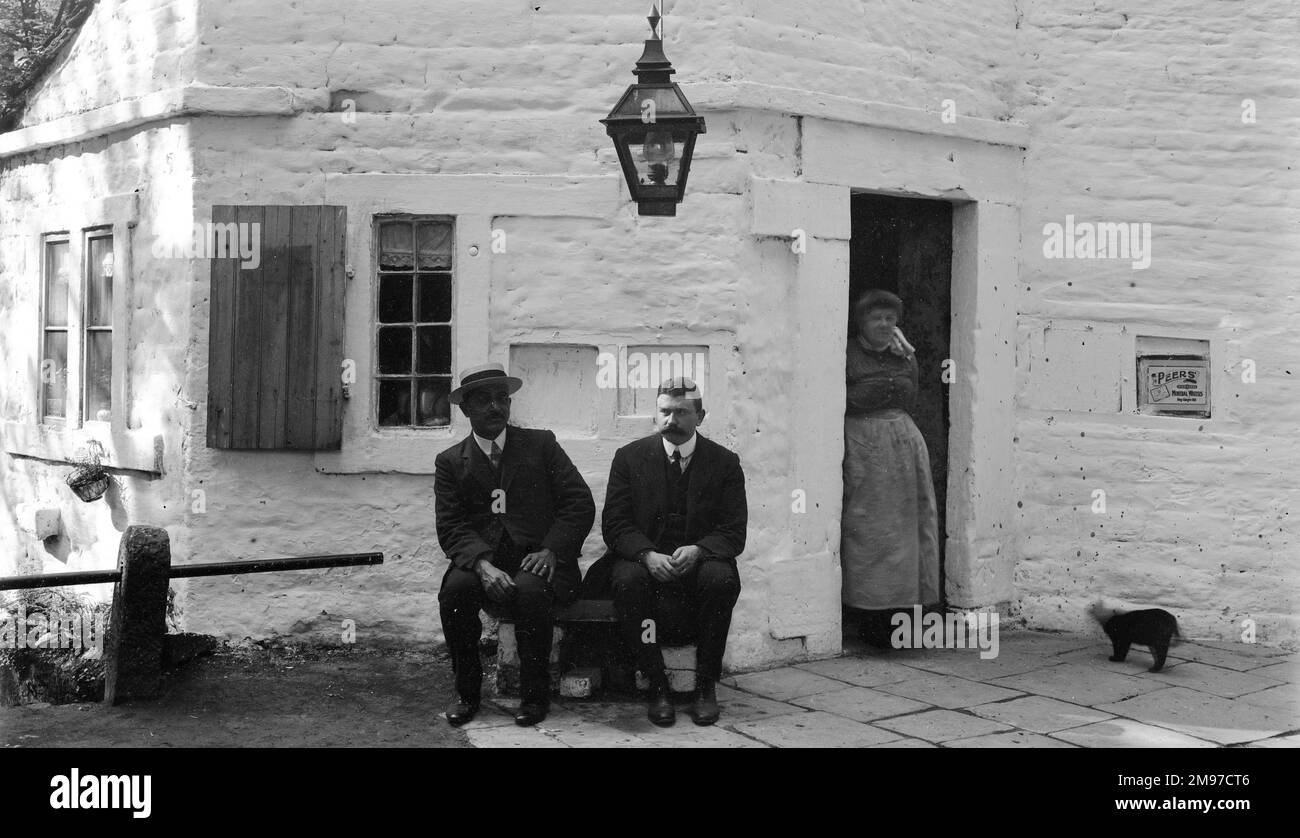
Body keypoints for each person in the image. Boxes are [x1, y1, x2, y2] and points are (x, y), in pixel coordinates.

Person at [434, 362, 595, 727]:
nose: (495, 407)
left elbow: (578, 502)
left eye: (501, 399)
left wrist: (552, 549)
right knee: (455, 593)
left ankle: (534, 696)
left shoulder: (541, 445)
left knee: (530, 592)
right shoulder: (450, 463)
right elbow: (450, 525)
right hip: (484, 561)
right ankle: (467, 692)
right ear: (465, 409)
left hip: (538, 559)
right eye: (484, 400)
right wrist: (481, 565)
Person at [594, 377, 745, 727]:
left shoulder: (724, 463)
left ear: (700, 416)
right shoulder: (629, 458)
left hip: (698, 559)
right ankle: (657, 685)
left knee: (721, 579)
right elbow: (615, 524)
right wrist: (646, 554)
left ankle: (705, 686)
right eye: (664, 412)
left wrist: (700, 550)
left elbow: (733, 531)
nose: (671, 420)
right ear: (655, 415)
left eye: (681, 412)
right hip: (646, 560)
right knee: (627, 579)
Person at [842, 290, 941, 647]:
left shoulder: (904, 355)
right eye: (876, 319)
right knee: (867, 528)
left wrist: (909, 359)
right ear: (861, 323)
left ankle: (902, 617)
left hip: (903, 445)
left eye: (890, 318)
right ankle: (867, 617)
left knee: (907, 530)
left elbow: (911, 395)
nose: (885, 325)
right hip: (864, 445)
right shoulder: (849, 353)